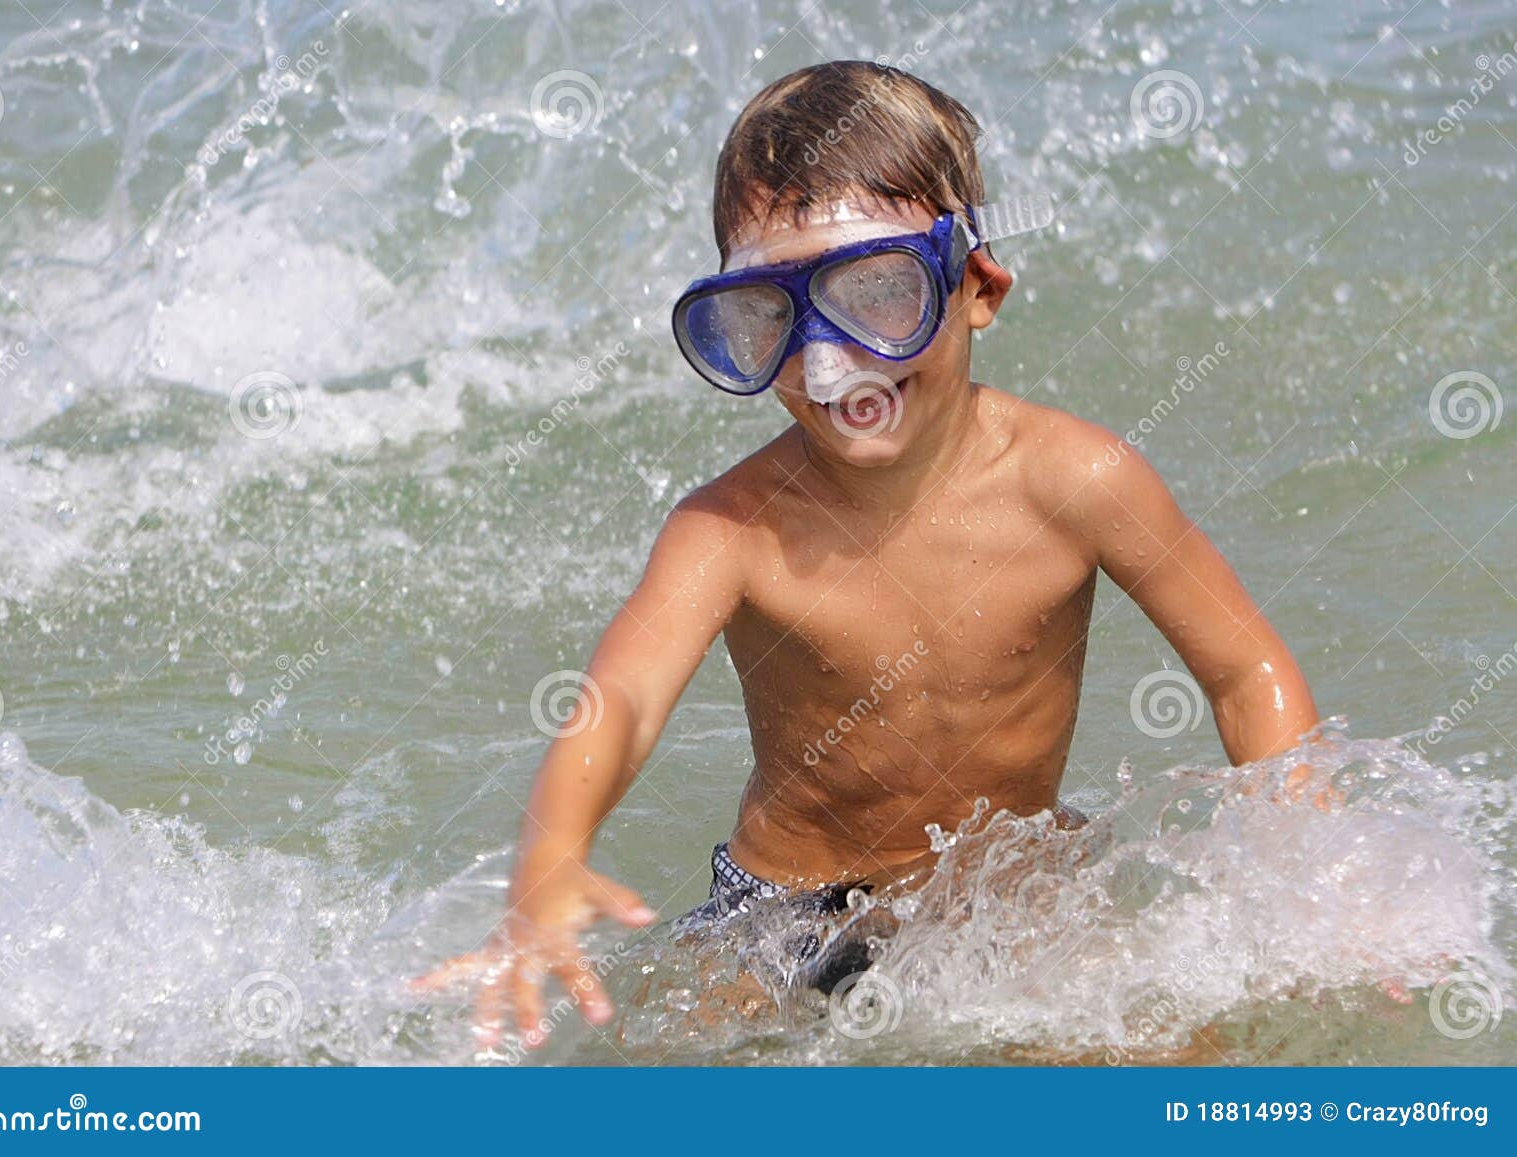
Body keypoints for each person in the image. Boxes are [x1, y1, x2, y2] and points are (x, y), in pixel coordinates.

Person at [412, 60, 1319, 1046]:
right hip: (788, 916)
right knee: (657, 1065)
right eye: (768, 316)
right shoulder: (731, 528)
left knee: (1186, 1050)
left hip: (1014, 895)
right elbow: (620, 702)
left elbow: (1244, 671)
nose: (828, 357)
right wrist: (548, 867)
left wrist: (1311, 860)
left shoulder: (1078, 481)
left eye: (878, 293)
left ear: (975, 288)